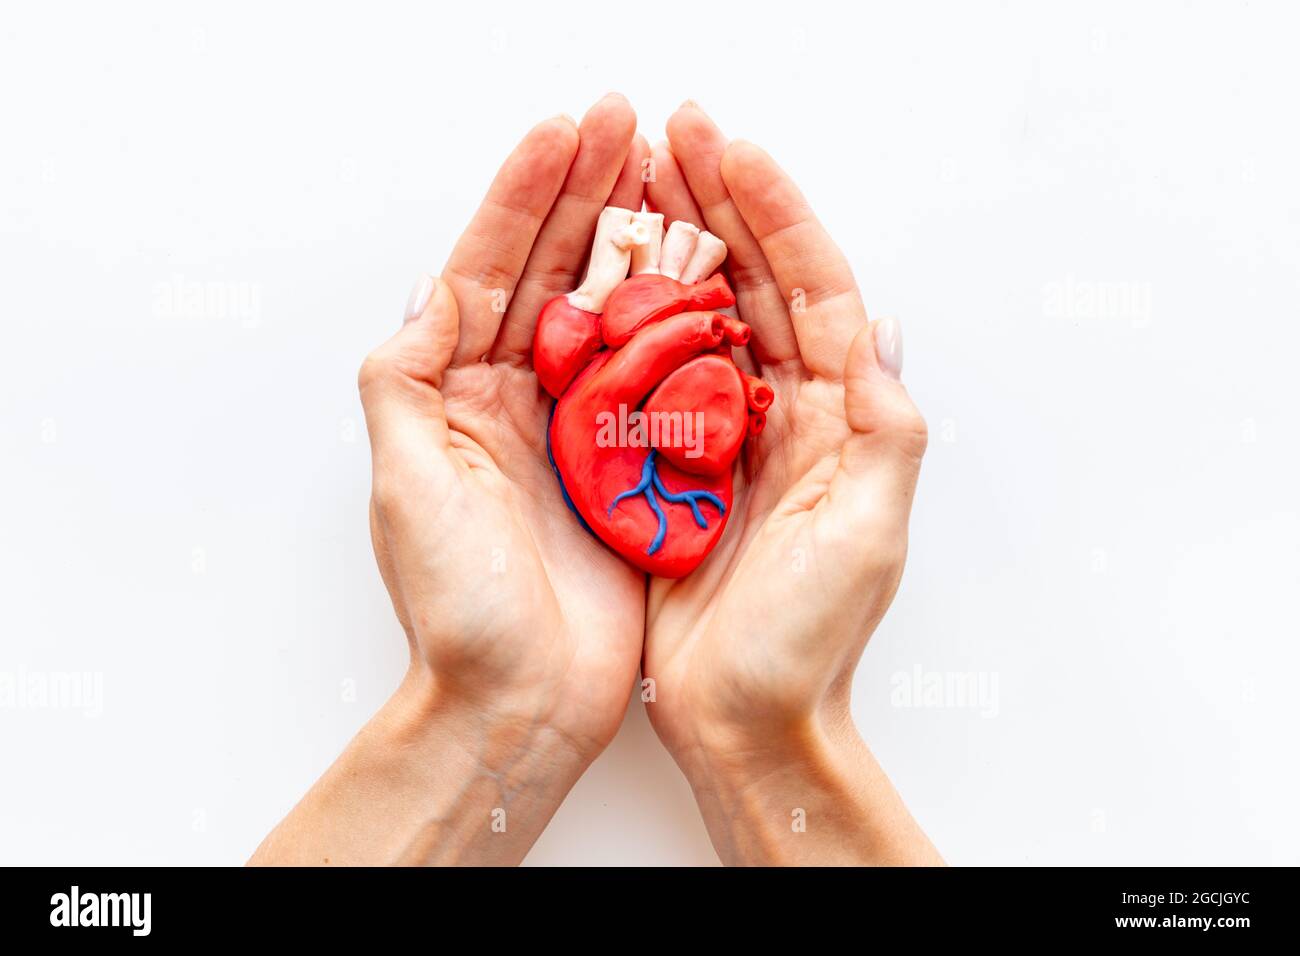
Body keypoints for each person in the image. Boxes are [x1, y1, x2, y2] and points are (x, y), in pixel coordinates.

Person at [249, 95, 941, 867]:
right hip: (638, 451)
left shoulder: (633, 387)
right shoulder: (613, 380)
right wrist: (765, 745)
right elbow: (597, 361)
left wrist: (490, 715)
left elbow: (616, 368)